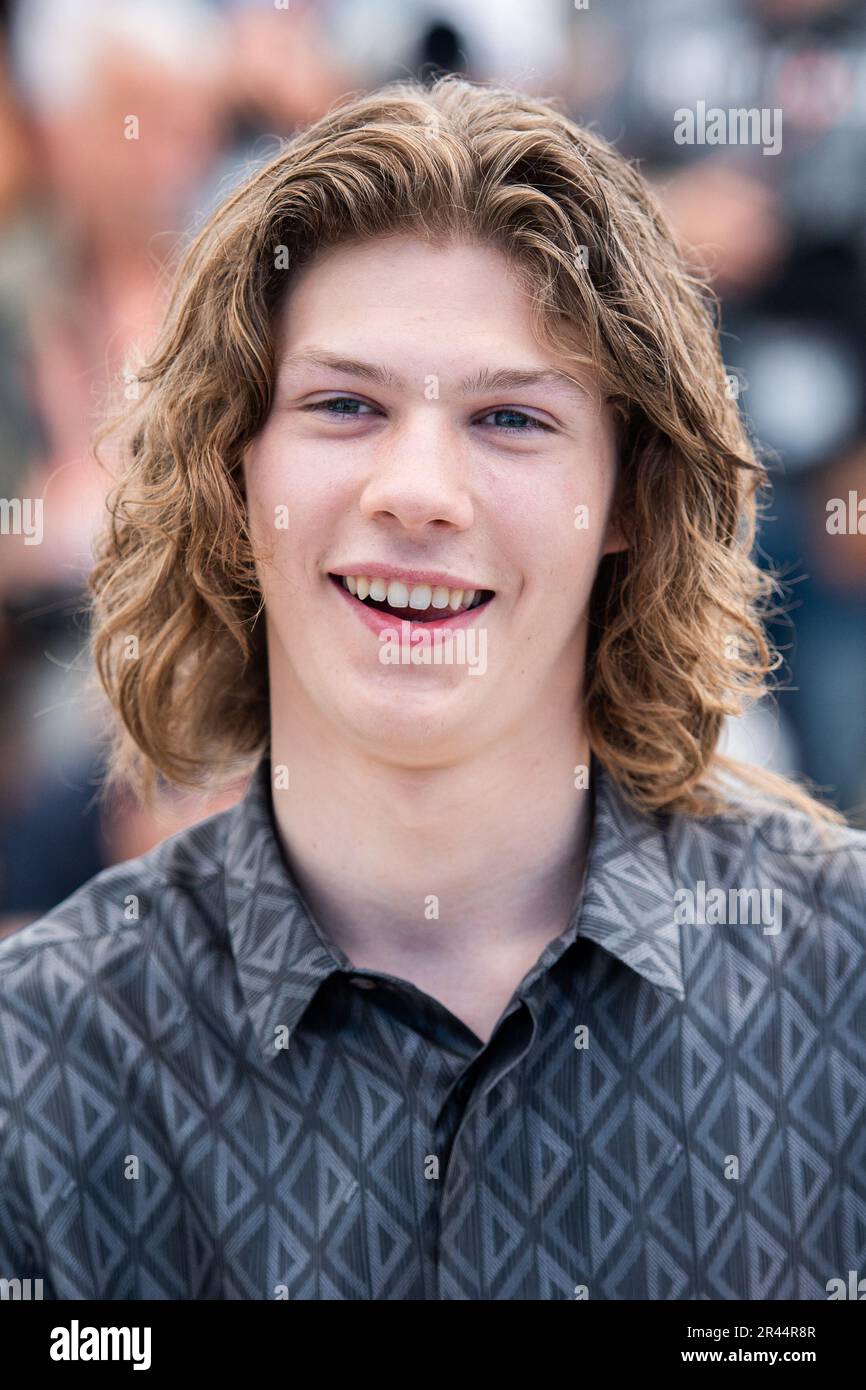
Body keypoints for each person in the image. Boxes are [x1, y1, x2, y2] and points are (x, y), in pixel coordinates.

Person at [0, 78, 863, 1302]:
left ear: (626, 497)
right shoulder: (34, 1065)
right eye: (344, 404)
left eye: (511, 417)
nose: (418, 489)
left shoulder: (844, 989)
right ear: (232, 470)